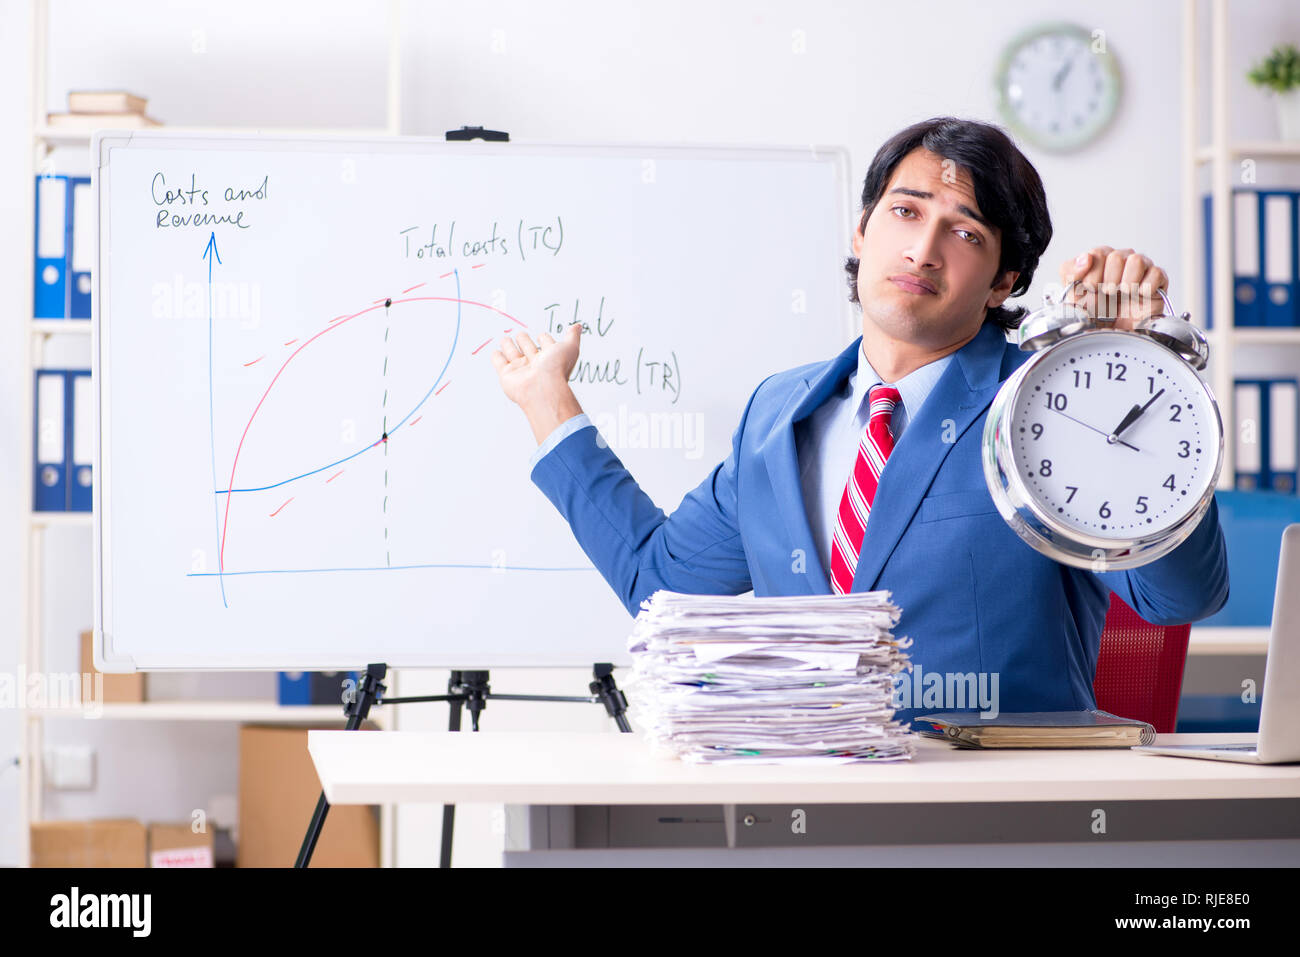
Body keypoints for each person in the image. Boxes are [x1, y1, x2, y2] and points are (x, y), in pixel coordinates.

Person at [490, 116, 1229, 723]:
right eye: (905, 212)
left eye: (965, 233)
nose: (923, 248)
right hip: (807, 802)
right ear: (862, 230)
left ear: (1005, 279)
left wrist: (1136, 367)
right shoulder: (777, 416)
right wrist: (547, 403)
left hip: (997, 813)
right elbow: (660, 582)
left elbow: (1179, 596)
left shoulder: (1041, 405)